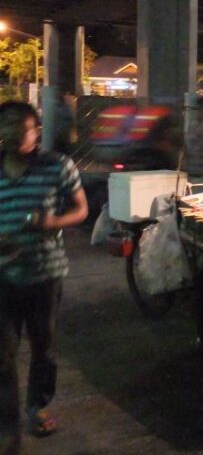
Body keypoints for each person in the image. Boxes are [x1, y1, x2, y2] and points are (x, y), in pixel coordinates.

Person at [0, 101, 88, 454]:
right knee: (3, 355)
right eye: (5, 125)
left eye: (21, 127)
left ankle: (37, 406)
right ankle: (7, 424)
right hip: (3, 275)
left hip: (46, 274)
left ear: (36, 131)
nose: (12, 133)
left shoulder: (58, 166)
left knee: (43, 347)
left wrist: (51, 223)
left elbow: (80, 209)